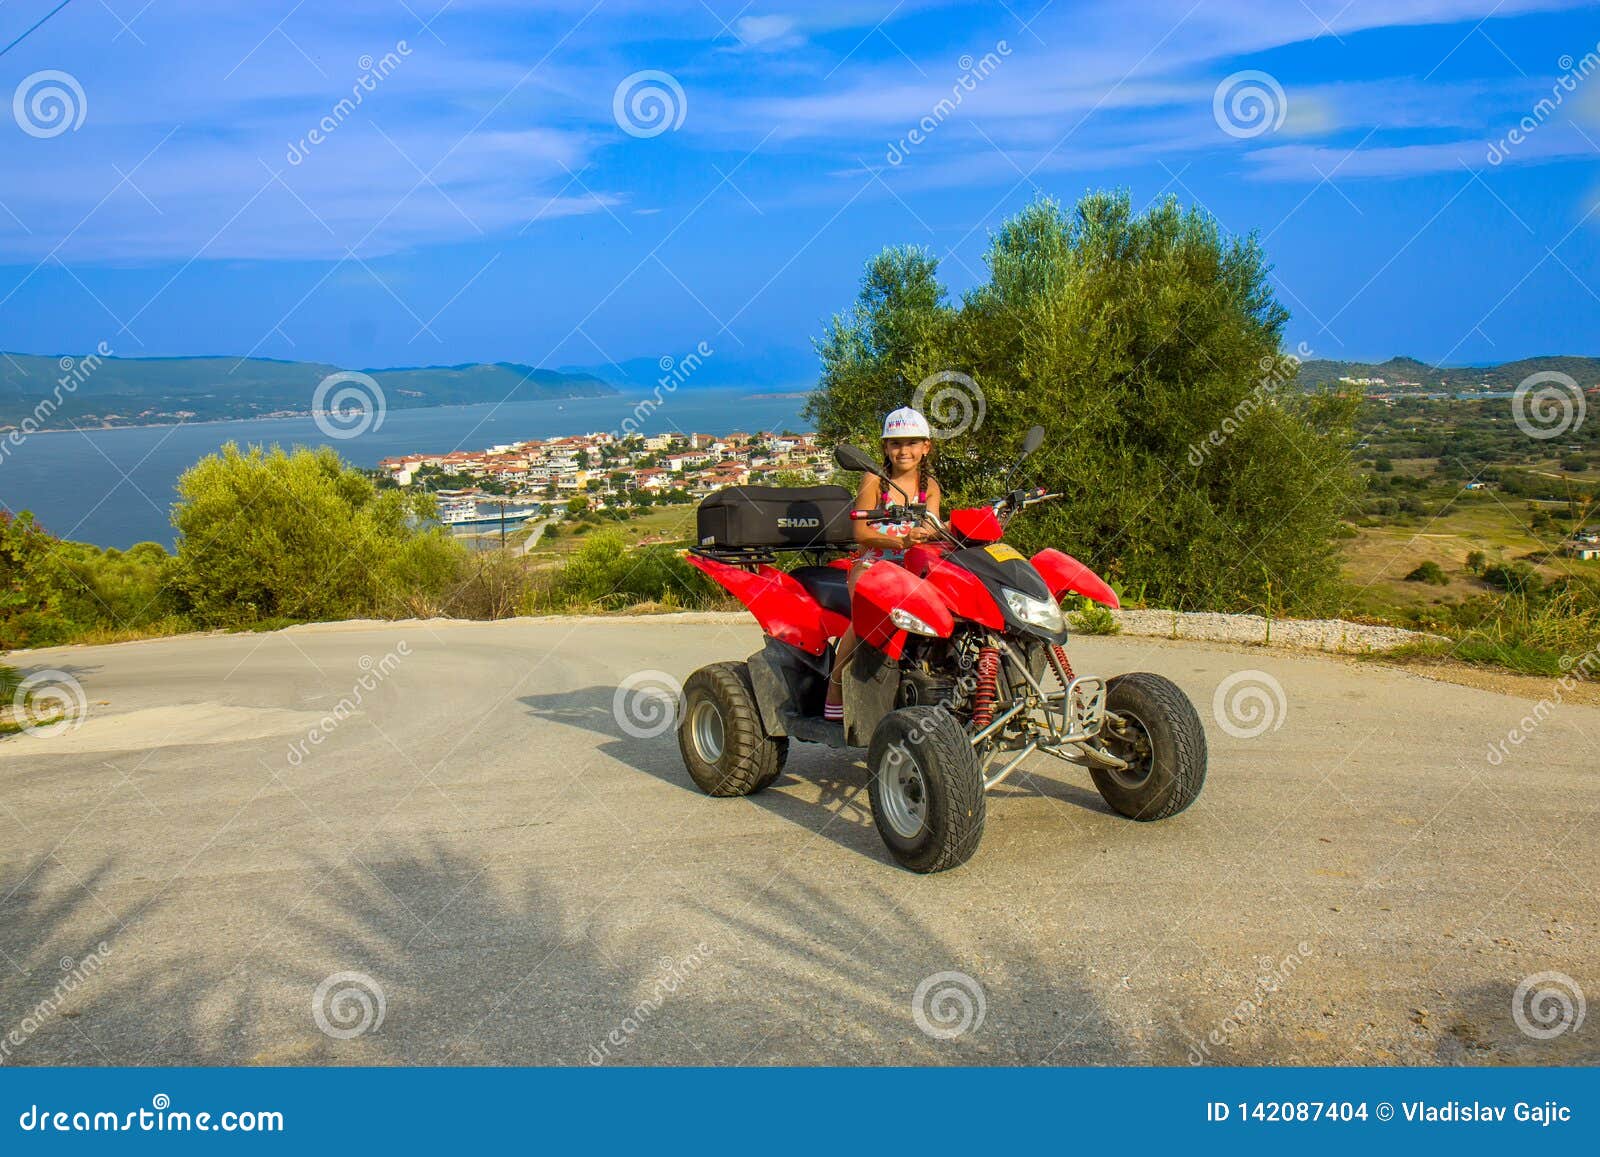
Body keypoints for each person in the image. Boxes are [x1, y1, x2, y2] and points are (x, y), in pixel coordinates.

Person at [824, 407, 941, 722]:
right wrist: (900, 542)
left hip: (914, 567)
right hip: (872, 565)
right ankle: (834, 688)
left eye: (912, 443)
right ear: (885, 448)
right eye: (896, 444)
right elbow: (860, 531)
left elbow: (934, 526)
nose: (904, 451)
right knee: (863, 621)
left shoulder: (928, 485)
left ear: (925, 447)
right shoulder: (875, 479)